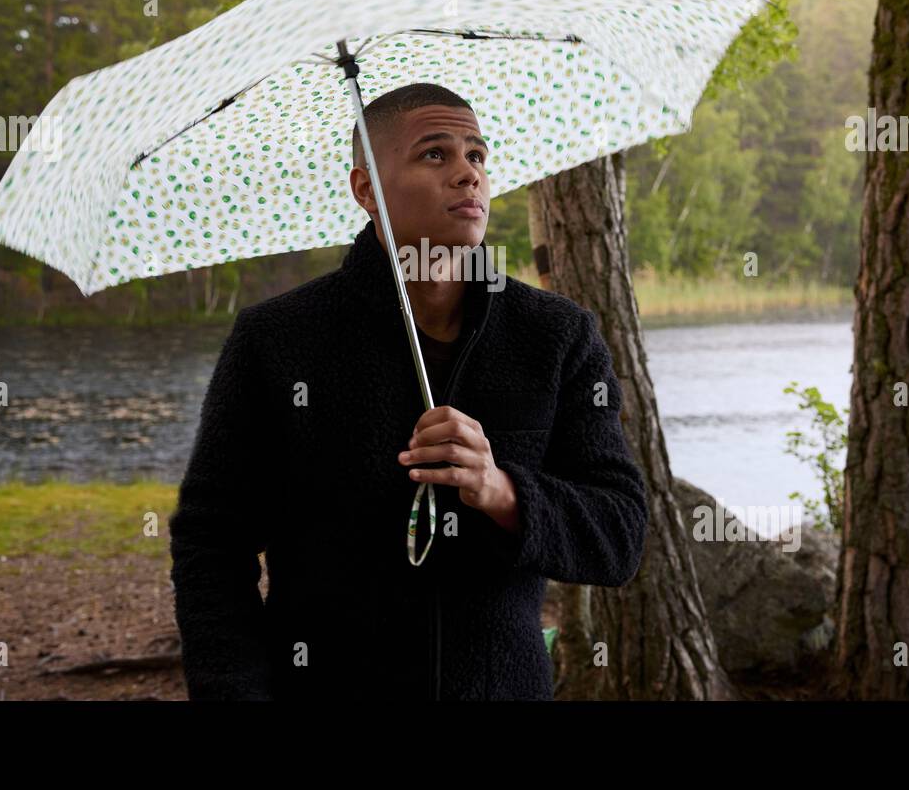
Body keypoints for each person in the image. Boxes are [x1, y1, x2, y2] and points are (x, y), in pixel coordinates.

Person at [168, 82, 648, 701]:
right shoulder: (277, 339)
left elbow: (620, 535)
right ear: (366, 189)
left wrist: (500, 490)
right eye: (435, 155)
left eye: (477, 155)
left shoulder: (556, 335)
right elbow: (212, 543)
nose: (467, 175)